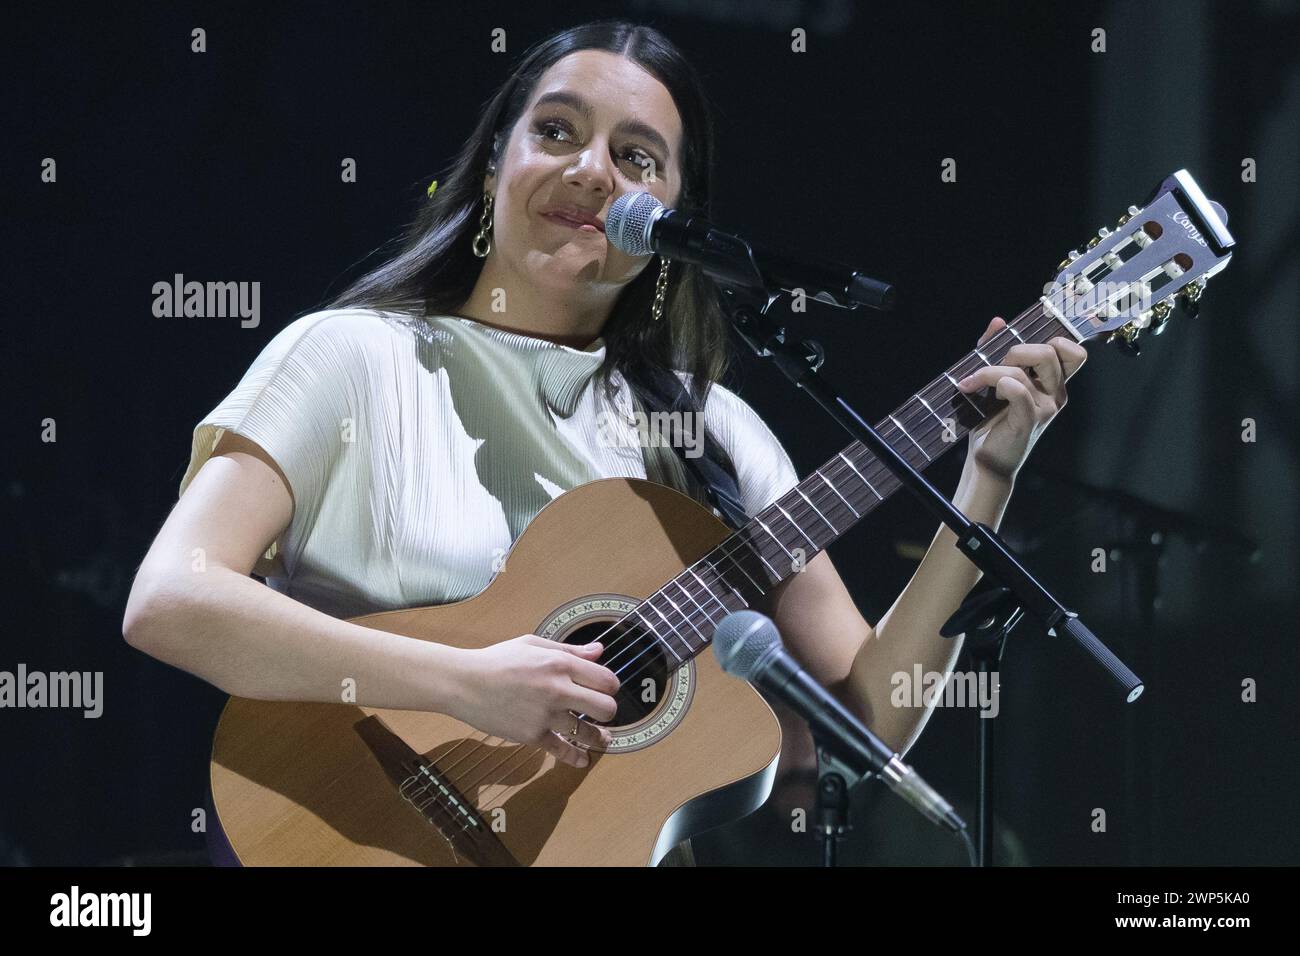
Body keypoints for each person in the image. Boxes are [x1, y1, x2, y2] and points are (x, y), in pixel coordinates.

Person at [122, 20, 1085, 866]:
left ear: (673, 216)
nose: (591, 171)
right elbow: (172, 600)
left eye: (636, 157)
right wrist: (465, 683)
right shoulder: (354, 356)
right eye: (555, 132)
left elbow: (867, 721)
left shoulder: (712, 434)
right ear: (495, 162)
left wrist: (987, 478)